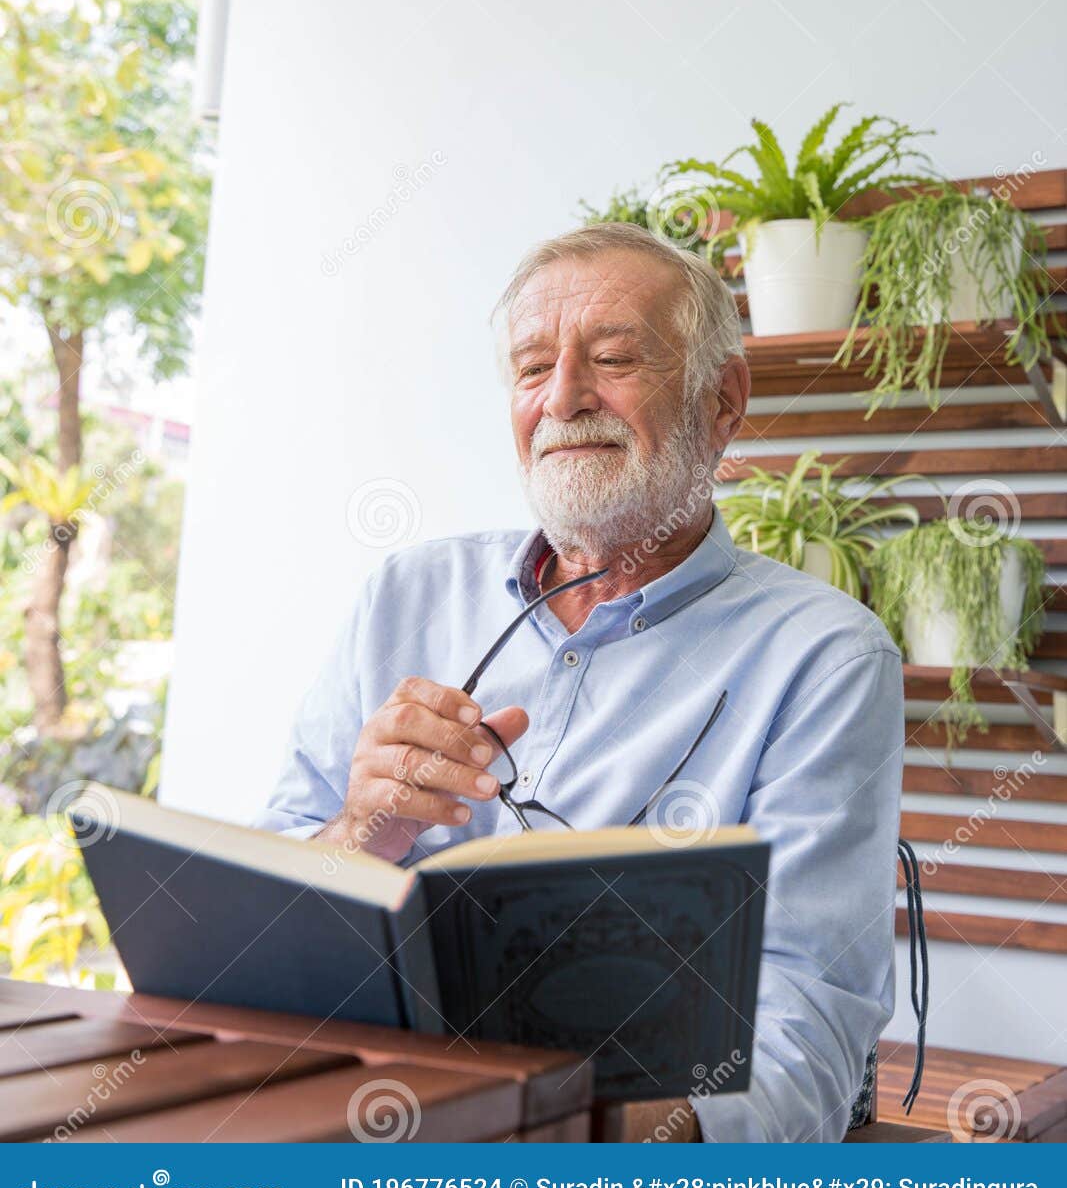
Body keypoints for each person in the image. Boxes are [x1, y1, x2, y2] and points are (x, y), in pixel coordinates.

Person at [260, 221, 903, 1141]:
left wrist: (584, 1144)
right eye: (531, 369)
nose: (563, 397)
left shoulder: (825, 658)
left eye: (612, 358)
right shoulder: (404, 595)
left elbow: (808, 1017)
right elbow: (260, 913)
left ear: (721, 401)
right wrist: (363, 833)